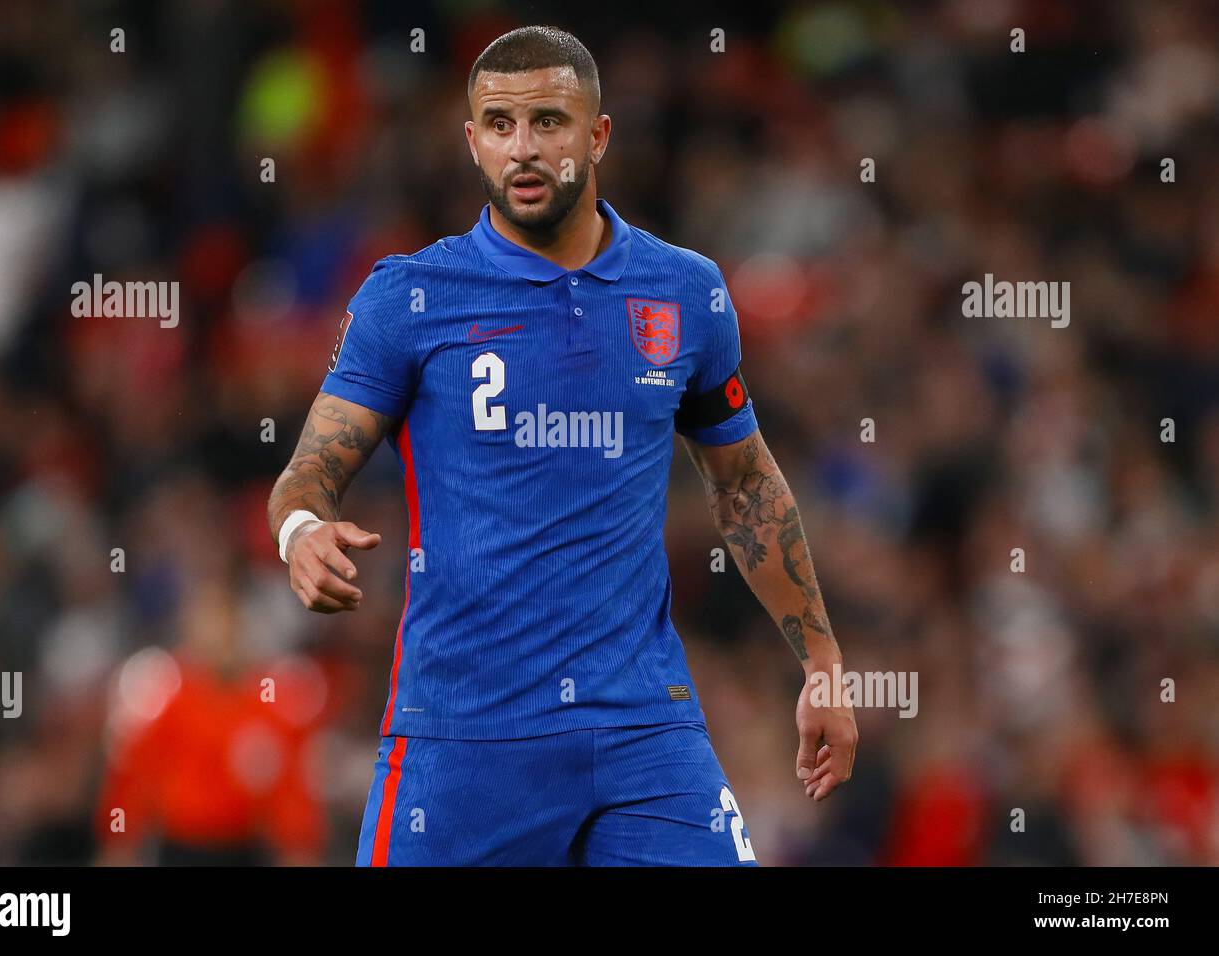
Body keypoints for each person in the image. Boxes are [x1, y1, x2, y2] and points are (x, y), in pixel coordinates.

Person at [267, 25, 856, 866]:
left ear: (598, 136)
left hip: (643, 731)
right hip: (465, 737)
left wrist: (823, 663)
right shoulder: (411, 299)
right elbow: (305, 475)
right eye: (500, 124)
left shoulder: (685, 293)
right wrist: (302, 532)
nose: (524, 147)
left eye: (550, 121)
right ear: (472, 141)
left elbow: (745, 486)